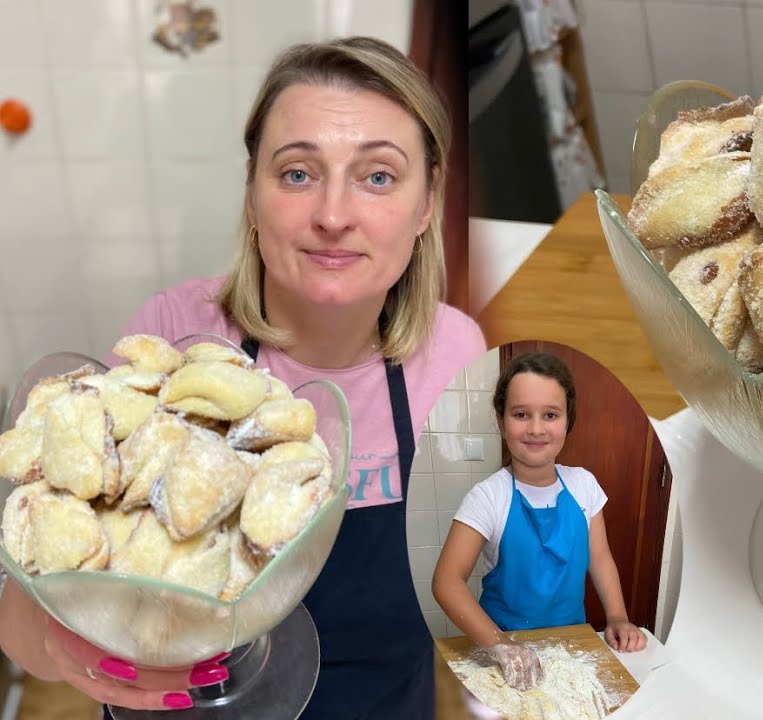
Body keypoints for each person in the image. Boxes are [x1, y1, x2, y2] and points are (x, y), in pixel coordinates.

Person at [0, 37, 485, 718]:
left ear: (427, 203)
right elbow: (28, 617)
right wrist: (66, 644)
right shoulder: (170, 344)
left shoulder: (458, 355)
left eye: (378, 176)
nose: (333, 215)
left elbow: (469, 569)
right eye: (296, 174)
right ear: (253, 198)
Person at [433, 352, 647, 692]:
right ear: (502, 422)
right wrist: (499, 644)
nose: (535, 428)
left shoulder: (584, 485)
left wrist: (618, 617)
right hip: (501, 649)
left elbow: (601, 559)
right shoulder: (488, 497)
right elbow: (447, 582)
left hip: (572, 645)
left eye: (550, 415)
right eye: (520, 415)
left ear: (567, 422)